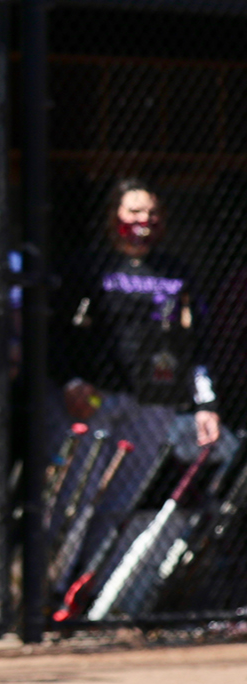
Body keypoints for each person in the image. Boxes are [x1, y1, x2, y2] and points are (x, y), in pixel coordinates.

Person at [51, 179, 222, 568]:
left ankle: (91, 588)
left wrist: (205, 401)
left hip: (154, 397)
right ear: (114, 216)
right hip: (96, 393)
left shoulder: (175, 271)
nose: (143, 221)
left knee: (122, 500)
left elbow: (194, 341)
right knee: (76, 495)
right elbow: (55, 332)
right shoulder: (88, 266)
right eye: (134, 211)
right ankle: (53, 584)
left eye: (151, 213)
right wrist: (69, 380)